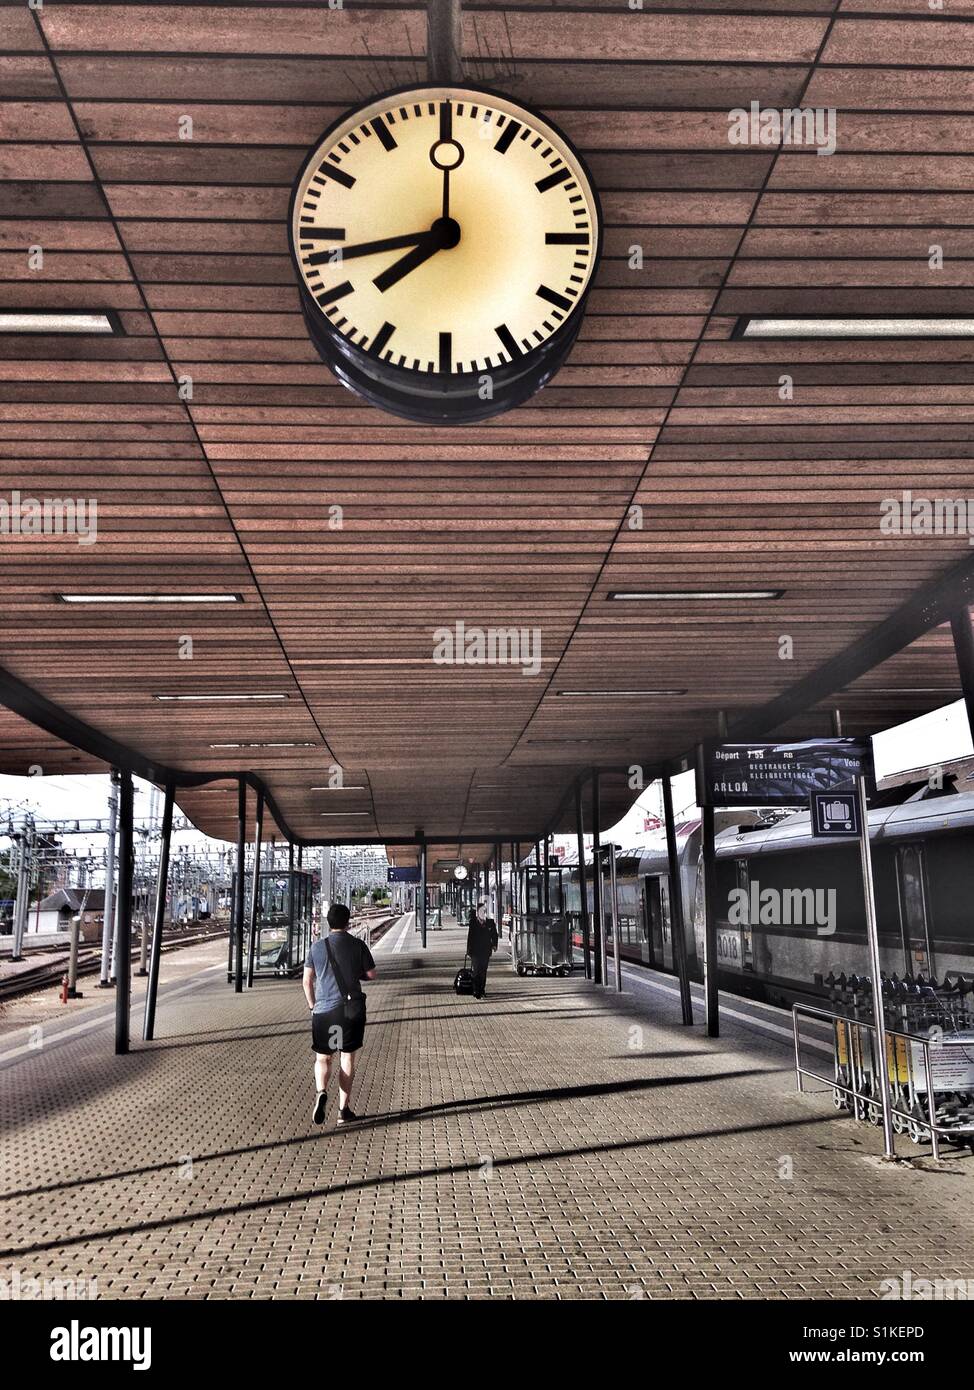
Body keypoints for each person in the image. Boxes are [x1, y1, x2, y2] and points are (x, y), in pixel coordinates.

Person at [303, 903, 376, 1127]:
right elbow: (372, 974)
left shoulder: (317, 947)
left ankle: (321, 1091)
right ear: (347, 921)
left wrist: (312, 1006)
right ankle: (343, 1111)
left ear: (328, 921)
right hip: (349, 1011)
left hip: (324, 1012)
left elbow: (307, 981)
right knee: (346, 1057)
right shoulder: (357, 944)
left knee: (323, 1057)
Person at [466, 899, 498, 1000]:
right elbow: (470, 937)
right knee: (476, 971)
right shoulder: (473, 923)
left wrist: (494, 945)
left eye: (483, 911)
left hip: (485, 951)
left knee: (483, 971)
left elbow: (495, 935)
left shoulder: (490, 922)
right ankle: (476, 990)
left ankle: (482, 989)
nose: (482, 913)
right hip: (475, 951)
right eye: (480, 911)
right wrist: (468, 950)